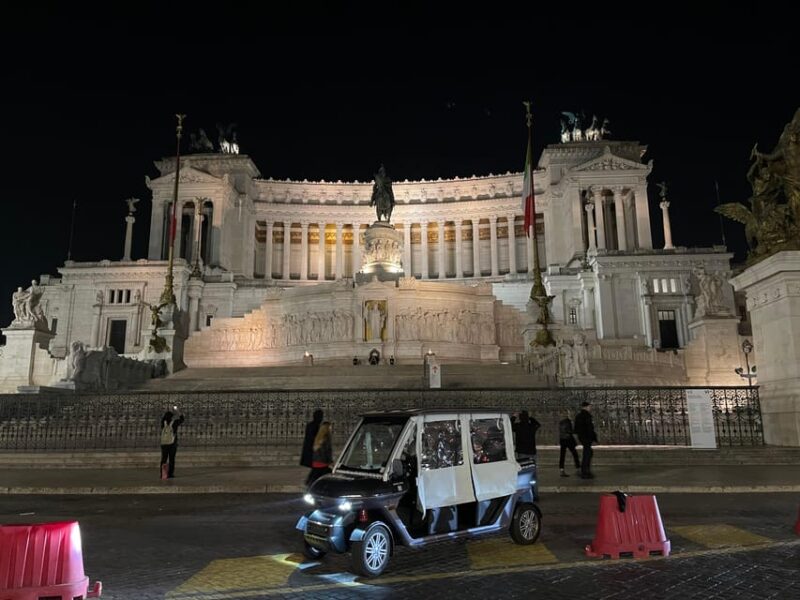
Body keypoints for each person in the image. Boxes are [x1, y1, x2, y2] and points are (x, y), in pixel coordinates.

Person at [574, 401, 598, 479]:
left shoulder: (579, 416)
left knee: (588, 453)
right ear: (585, 407)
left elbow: (576, 428)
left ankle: (585, 470)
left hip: (583, 437)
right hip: (586, 437)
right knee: (587, 454)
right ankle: (585, 472)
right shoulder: (586, 416)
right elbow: (589, 428)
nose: (590, 408)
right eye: (589, 406)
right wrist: (593, 437)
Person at [159, 407, 185, 479]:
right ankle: (170, 474)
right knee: (171, 459)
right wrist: (177, 411)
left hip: (164, 443)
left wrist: (165, 411)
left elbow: (163, 418)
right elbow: (182, 419)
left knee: (163, 459)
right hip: (172, 443)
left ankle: (162, 474)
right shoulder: (174, 423)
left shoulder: (163, 423)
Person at [300, 409, 324, 484]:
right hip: (312, 451)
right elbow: (313, 439)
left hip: (311, 451)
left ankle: (310, 481)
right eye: (321, 416)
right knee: (316, 467)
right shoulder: (314, 426)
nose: (321, 418)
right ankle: (310, 481)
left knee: (316, 467)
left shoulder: (312, 425)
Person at [307, 421, 334, 487]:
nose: (331, 429)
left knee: (315, 478)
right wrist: (330, 462)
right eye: (330, 427)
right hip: (323, 463)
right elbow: (327, 451)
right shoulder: (326, 438)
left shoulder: (318, 438)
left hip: (315, 462)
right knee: (327, 479)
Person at [558, 410, 581, 477]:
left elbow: (562, 431)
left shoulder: (561, 422)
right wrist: (574, 431)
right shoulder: (567, 421)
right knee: (574, 454)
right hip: (568, 440)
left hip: (563, 440)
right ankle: (578, 468)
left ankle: (562, 470)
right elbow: (568, 430)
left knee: (563, 455)